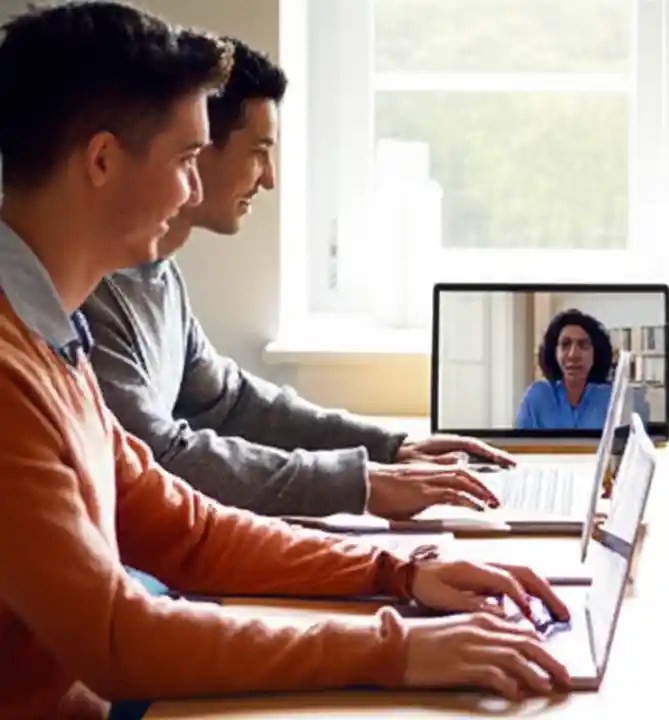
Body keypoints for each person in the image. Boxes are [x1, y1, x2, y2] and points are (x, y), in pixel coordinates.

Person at [0, 5, 566, 718]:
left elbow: (190, 532)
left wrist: (401, 572)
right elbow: (114, 635)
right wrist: (397, 650)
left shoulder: (51, 334)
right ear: (103, 162)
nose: (195, 191)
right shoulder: (9, 373)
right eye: (184, 161)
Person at [80, 38, 509, 521]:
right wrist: (359, 482)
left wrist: (391, 447)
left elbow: (230, 402)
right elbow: (159, 458)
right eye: (259, 152)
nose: (270, 180)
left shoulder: (156, 274)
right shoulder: (83, 292)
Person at [515, 308, 616, 429]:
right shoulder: (537, 397)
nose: (573, 354)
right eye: (565, 344)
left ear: (596, 353)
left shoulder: (612, 399)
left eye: (583, 345)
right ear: (554, 352)